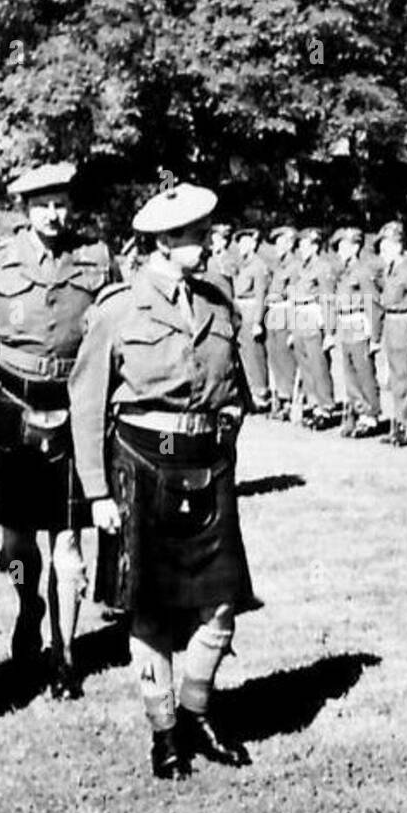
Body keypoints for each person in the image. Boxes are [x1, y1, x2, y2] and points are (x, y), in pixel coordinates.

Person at [69, 182, 259, 780]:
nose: (208, 243)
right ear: (165, 239)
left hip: (206, 467)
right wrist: (97, 493)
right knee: (148, 611)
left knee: (221, 605)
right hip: (141, 464)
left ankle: (199, 709)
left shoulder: (217, 300)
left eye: (206, 233)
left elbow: (238, 392)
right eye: (197, 236)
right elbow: (86, 404)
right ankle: (166, 733)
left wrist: (227, 425)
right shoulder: (119, 308)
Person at [0, 162, 112, 698]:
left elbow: (110, 336)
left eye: (61, 202)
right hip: (11, 402)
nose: (53, 213)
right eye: (42, 203)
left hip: (73, 404)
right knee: (19, 542)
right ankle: (29, 605)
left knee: (68, 541)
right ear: (25, 208)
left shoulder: (96, 259)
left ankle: (64, 657)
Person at [375, 220, 407, 446]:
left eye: (386, 248)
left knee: (405, 377)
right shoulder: (390, 271)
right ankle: (399, 422)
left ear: (398, 247)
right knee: (395, 378)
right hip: (391, 324)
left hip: (405, 325)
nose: (382, 253)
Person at [332, 227, 382, 437]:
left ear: (356, 247)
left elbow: (373, 303)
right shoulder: (344, 272)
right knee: (350, 372)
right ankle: (357, 410)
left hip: (360, 323)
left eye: (345, 246)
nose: (341, 251)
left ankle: (370, 415)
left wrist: (375, 335)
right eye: (339, 247)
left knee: (364, 371)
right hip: (346, 323)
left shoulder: (363, 272)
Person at [289, 227, 339, 429]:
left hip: (313, 315)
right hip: (300, 316)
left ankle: (326, 407)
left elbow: (327, 299)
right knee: (305, 365)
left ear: (316, 246)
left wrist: (329, 332)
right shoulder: (301, 268)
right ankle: (313, 404)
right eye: (300, 245)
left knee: (318, 365)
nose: (302, 249)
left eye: (306, 245)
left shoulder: (322, 267)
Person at [231, 227, 271, 412]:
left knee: (255, 356)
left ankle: (261, 394)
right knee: (244, 355)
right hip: (240, 312)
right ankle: (250, 394)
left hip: (251, 312)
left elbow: (261, 294)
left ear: (253, 244)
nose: (241, 246)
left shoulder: (258, 266)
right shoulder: (243, 265)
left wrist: (258, 321)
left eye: (245, 242)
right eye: (239, 243)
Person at [264, 225, 299, 420]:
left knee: (286, 359)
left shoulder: (295, 266)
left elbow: (294, 295)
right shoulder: (279, 265)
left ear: (290, 243)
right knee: (275, 357)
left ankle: (289, 400)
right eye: (276, 243)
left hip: (286, 312)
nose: (277, 246)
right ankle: (281, 398)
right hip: (274, 313)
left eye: (281, 242)